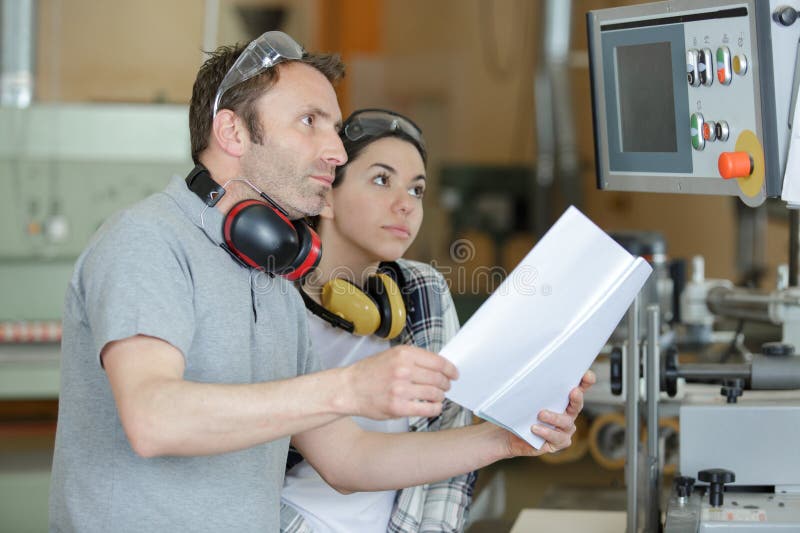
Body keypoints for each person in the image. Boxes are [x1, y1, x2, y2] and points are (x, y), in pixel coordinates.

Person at [48, 31, 593, 533]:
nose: (335, 151)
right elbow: (153, 419)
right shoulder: (148, 240)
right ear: (232, 130)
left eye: (334, 128)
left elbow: (349, 460)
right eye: (310, 122)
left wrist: (507, 439)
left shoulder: (272, 278)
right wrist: (348, 388)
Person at [280, 109, 475, 532]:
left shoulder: (424, 290)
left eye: (417, 189)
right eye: (382, 180)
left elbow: (450, 441)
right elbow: (347, 463)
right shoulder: (274, 304)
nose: (406, 204)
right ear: (326, 195)